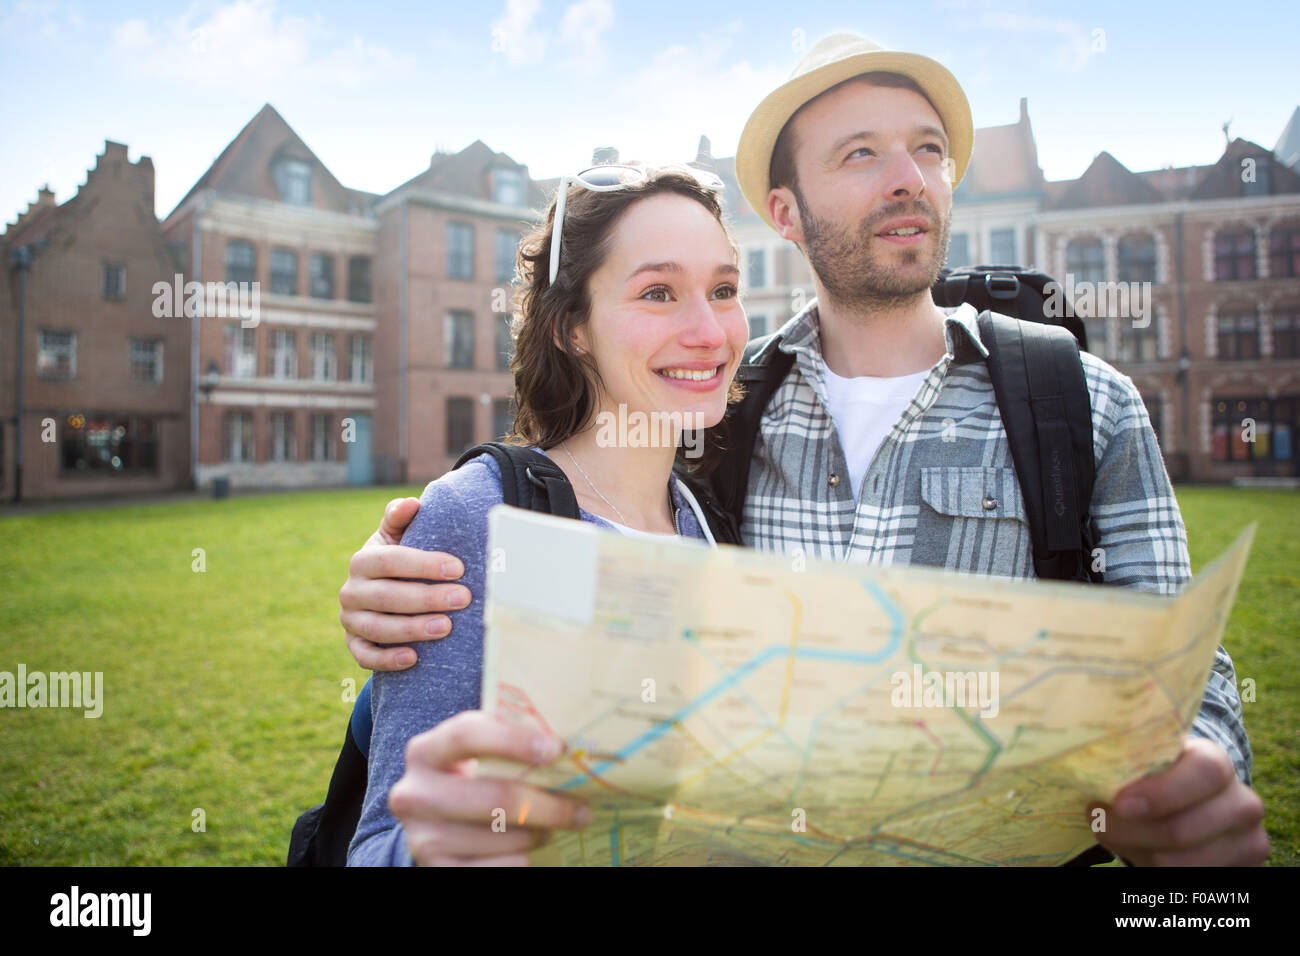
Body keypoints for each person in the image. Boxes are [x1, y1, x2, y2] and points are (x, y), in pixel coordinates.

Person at [339, 35, 1268, 866]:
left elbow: (1186, 669)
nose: (907, 176)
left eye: (929, 149)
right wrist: (417, 558)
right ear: (786, 211)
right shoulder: (731, 419)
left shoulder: (1082, 403)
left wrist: (1194, 784)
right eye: (861, 153)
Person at [346, 165, 749, 865]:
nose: (710, 331)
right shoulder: (481, 515)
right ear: (573, 328)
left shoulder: (712, 519)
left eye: (723, 290)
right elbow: (380, 842)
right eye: (658, 292)